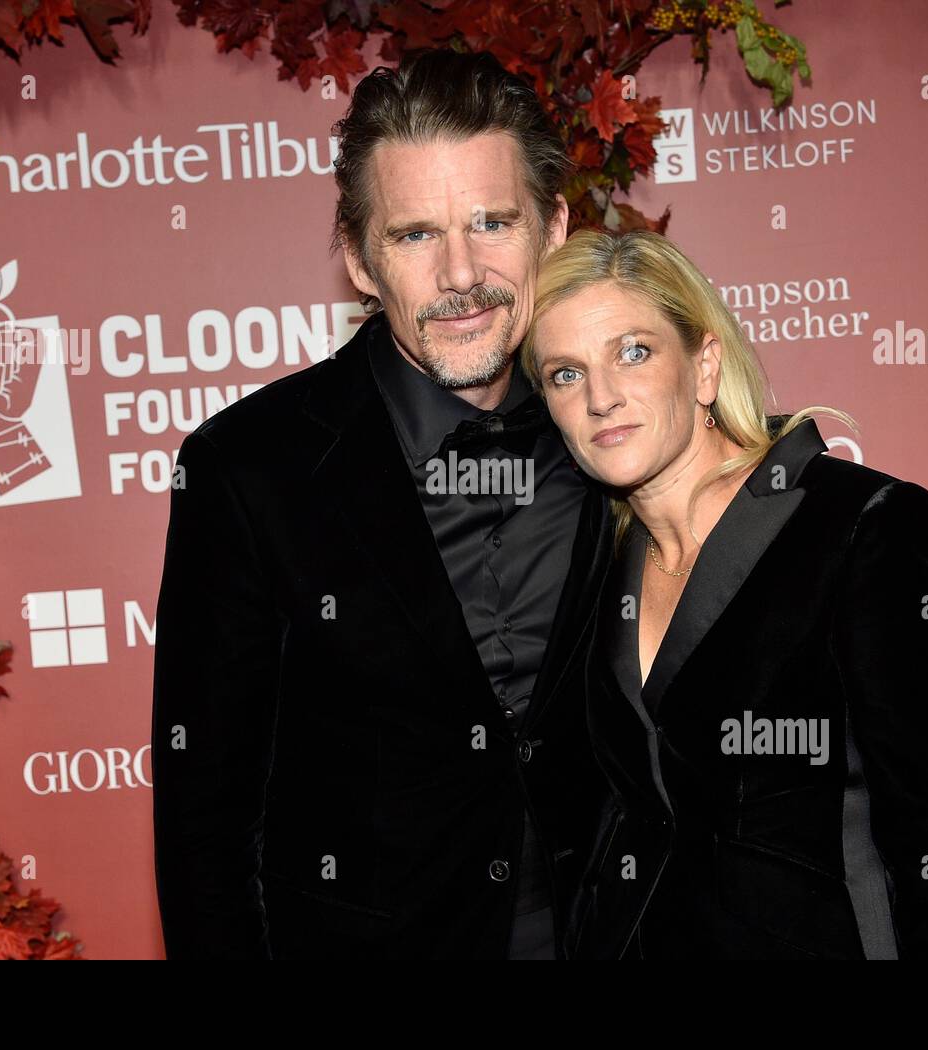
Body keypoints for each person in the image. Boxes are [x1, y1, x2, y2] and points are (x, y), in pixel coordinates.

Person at [151, 49, 613, 959]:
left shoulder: (617, 427)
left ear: (553, 227)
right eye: (413, 236)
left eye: (492, 221)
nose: (460, 273)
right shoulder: (250, 471)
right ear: (359, 259)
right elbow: (205, 827)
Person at [520, 228, 928, 959]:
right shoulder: (589, 569)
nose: (601, 397)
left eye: (634, 352)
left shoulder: (860, 528)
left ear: (705, 364)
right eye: (565, 373)